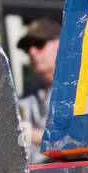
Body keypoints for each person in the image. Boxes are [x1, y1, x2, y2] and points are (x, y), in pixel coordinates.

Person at [17, 18, 61, 164]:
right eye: (27, 46)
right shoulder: (27, 97)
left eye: (39, 44)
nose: (31, 51)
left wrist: (36, 136)